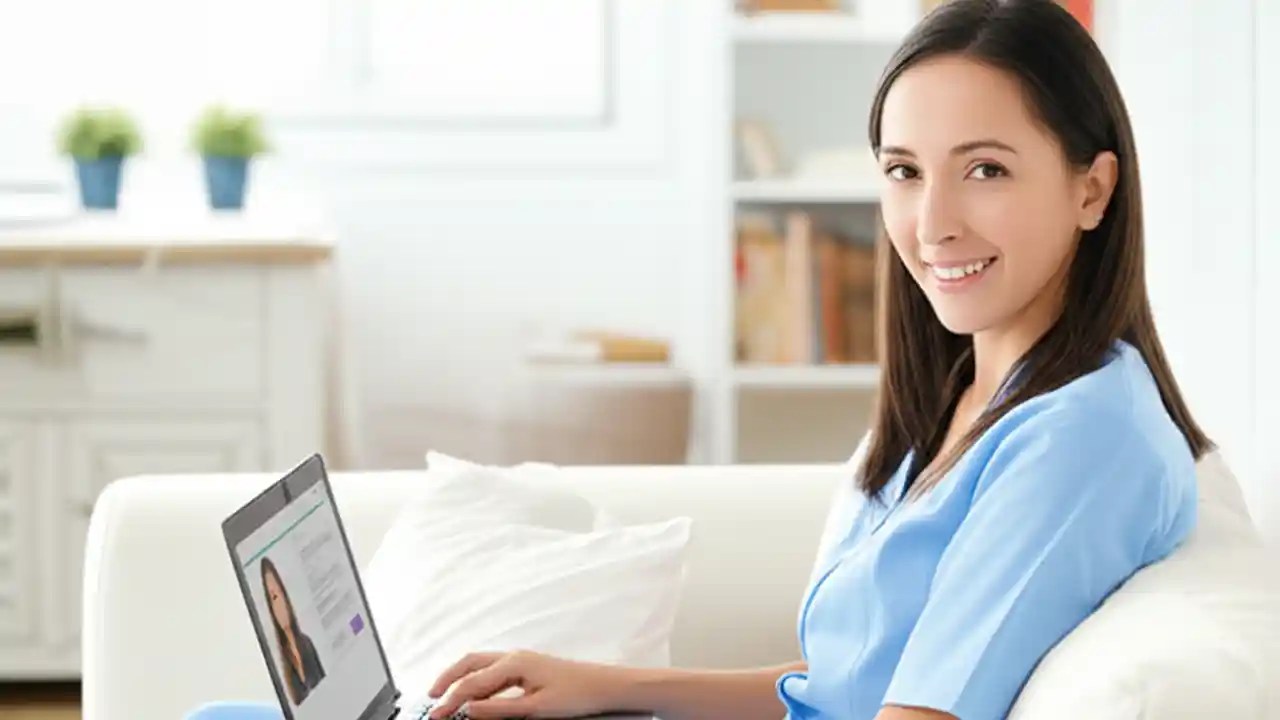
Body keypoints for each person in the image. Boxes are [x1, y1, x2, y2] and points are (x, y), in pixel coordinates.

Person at [188, 1, 1211, 719]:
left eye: (983, 169)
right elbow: (834, 693)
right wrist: (604, 684)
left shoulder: (1082, 435)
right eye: (901, 172)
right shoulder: (966, 391)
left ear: (1090, 188)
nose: (929, 222)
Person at [261, 557, 326, 706]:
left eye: (281, 594)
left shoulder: (307, 643)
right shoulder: (282, 668)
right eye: (274, 597)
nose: (281, 604)